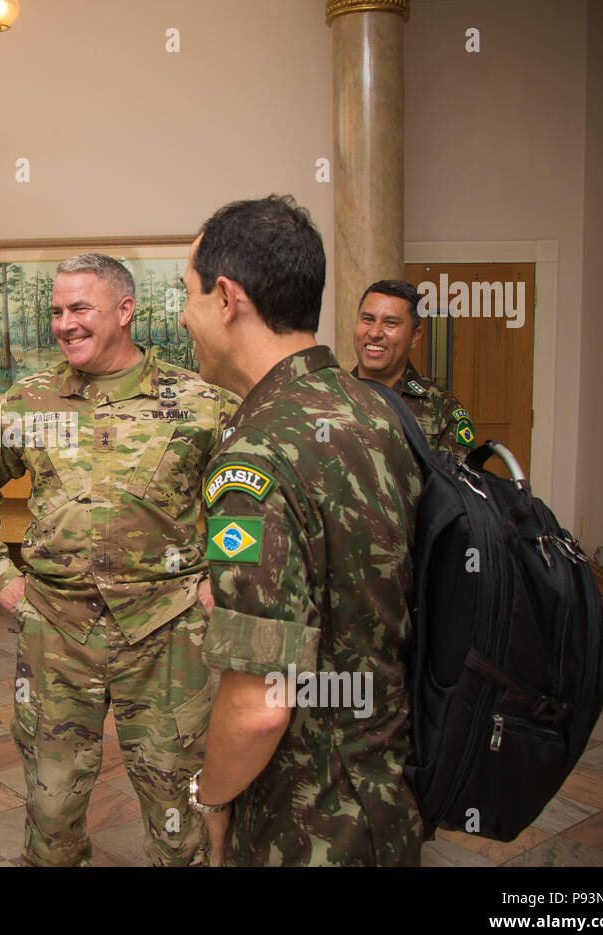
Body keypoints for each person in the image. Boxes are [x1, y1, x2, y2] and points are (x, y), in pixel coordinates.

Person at [0, 253, 240, 867]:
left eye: (80, 308)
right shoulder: (29, 401)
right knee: (50, 807)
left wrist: (224, 576)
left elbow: (245, 496)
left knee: (176, 803)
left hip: (165, 632)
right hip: (55, 630)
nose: (64, 324)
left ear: (125, 311)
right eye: (56, 311)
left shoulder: (199, 403)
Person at [179, 195, 425, 866]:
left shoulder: (254, 458)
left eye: (188, 293)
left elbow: (262, 702)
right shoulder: (375, 412)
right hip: (385, 796)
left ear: (227, 298)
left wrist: (214, 799)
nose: (182, 316)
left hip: (304, 823)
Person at [351, 278, 476, 458]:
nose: (374, 333)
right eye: (368, 320)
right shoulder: (330, 395)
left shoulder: (443, 411)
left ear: (415, 336)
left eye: (390, 323)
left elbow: (452, 484)